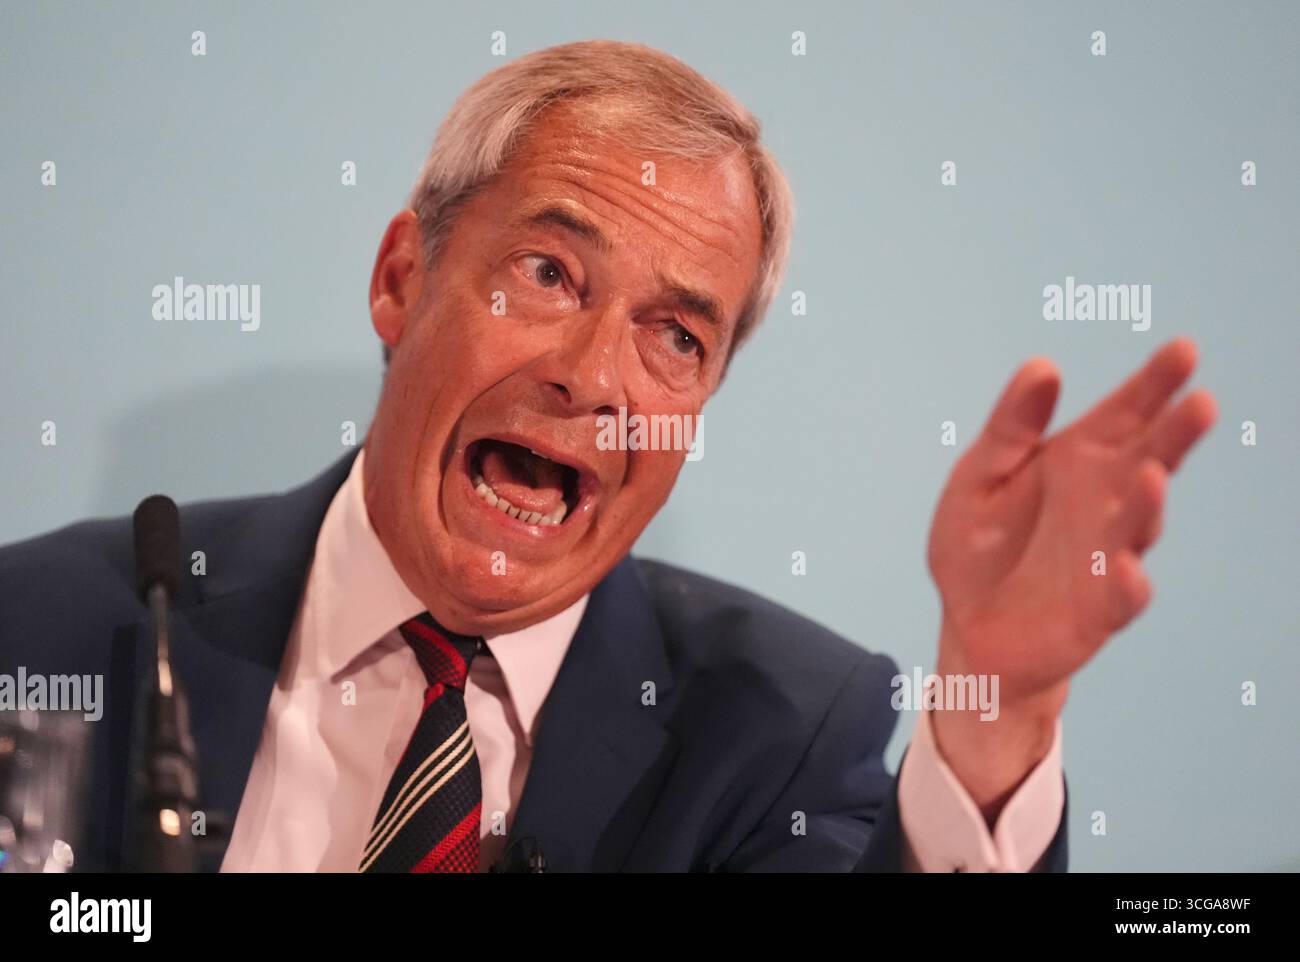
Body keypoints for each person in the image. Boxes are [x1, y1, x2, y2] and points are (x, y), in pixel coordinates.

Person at [0, 40, 1216, 872]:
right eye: (547, 273)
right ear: (400, 279)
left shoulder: (778, 728)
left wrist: (1000, 705)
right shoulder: (46, 625)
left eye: (675, 335)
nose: (591, 376)